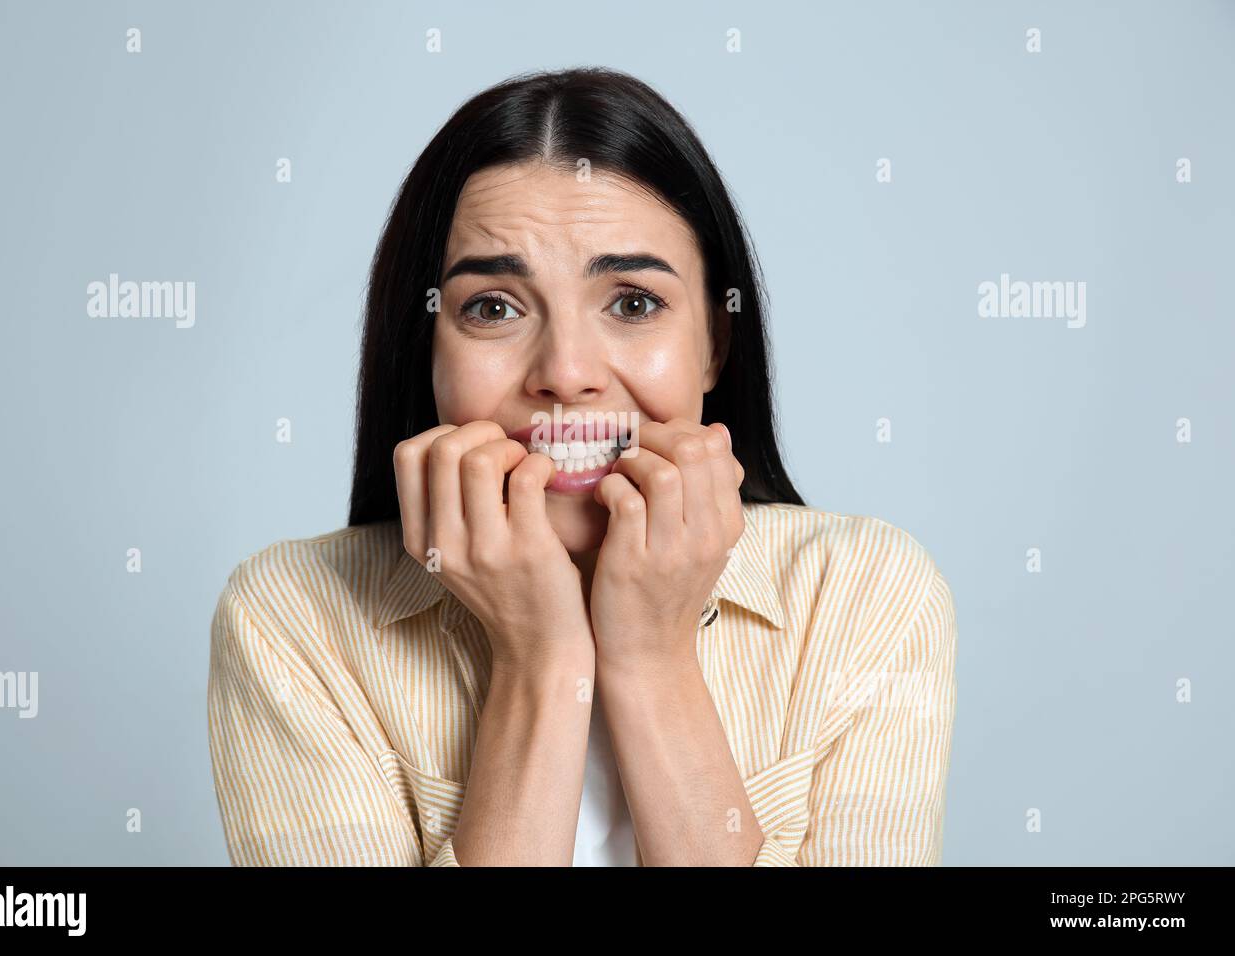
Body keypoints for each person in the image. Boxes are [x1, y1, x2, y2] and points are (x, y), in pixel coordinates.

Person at [206, 66, 957, 866]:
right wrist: (543, 659)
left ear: (715, 343)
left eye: (633, 303)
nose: (565, 373)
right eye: (493, 307)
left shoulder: (868, 598)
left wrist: (651, 661)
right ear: (425, 351)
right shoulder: (293, 620)